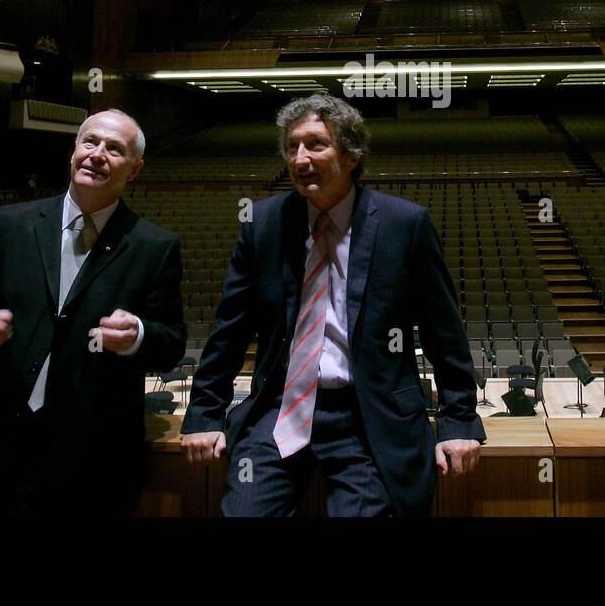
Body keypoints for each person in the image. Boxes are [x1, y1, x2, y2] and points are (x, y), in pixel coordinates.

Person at [181, 94, 484, 516]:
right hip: (280, 409)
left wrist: (458, 422)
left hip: (367, 416)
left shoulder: (404, 223)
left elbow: (443, 332)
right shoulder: (264, 224)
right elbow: (230, 329)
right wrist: (205, 415)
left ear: (352, 154)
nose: (300, 158)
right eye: (291, 147)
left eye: (315, 145)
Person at [0, 109, 185, 515]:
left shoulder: (153, 246)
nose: (97, 154)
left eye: (114, 149)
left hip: (91, 456)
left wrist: (138, 335)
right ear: (74, 150)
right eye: (90, 142)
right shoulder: (11, 224)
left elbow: (171, 342)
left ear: (135, 170)